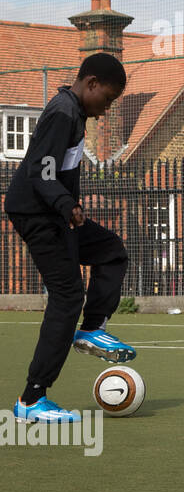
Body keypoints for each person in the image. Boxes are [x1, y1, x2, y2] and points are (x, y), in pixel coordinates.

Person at [7, 52, 134, 423]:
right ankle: (31, 400)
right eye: (107, 99)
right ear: (90, 83)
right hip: (38, 213)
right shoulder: (63, 112)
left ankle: (92, 330)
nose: (106, 109)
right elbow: (39, 170)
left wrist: (68, 206)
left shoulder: (74, 113)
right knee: (67, 295)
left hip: (55, 213)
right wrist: (67, 204)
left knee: (111, 250)